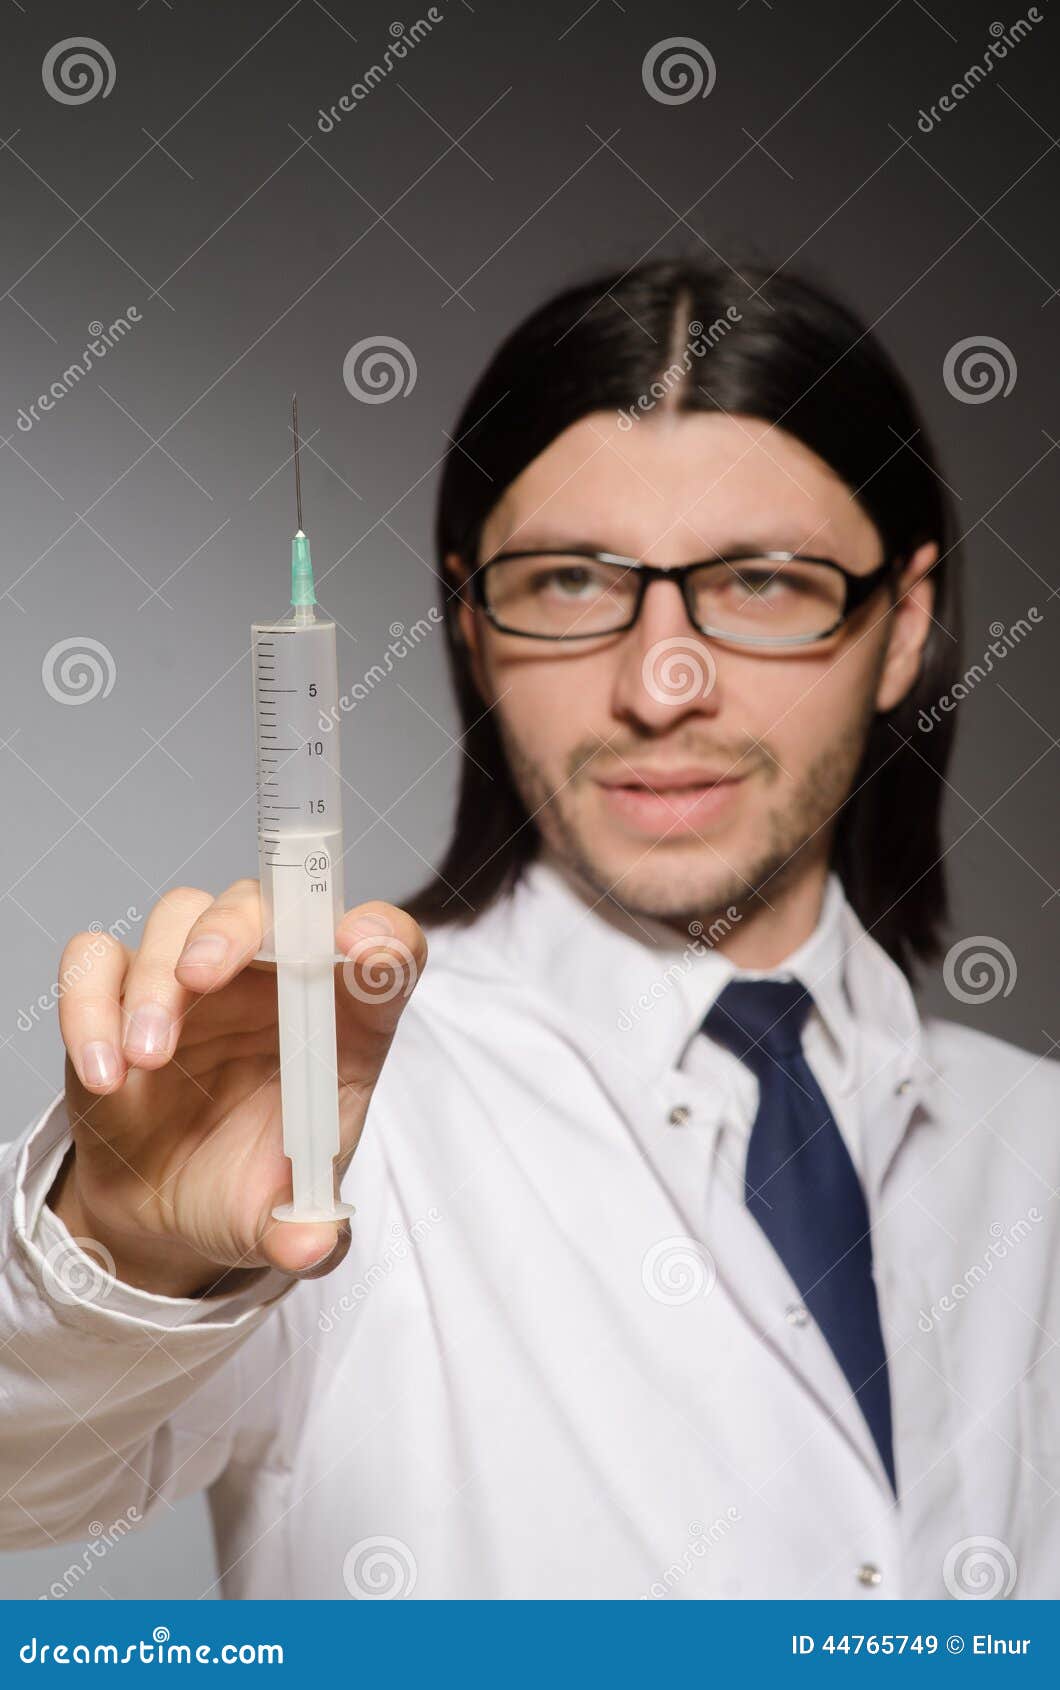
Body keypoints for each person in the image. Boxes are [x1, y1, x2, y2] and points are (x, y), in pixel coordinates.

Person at [1, 257, 1056, 1601]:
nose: (659, 682)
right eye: (568, 581)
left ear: (901, 625)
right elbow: (21, 1464)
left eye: (762, 583)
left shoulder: (1034, 1144)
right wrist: (120, 1250)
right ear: (470, 623)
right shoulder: (322, 1118)